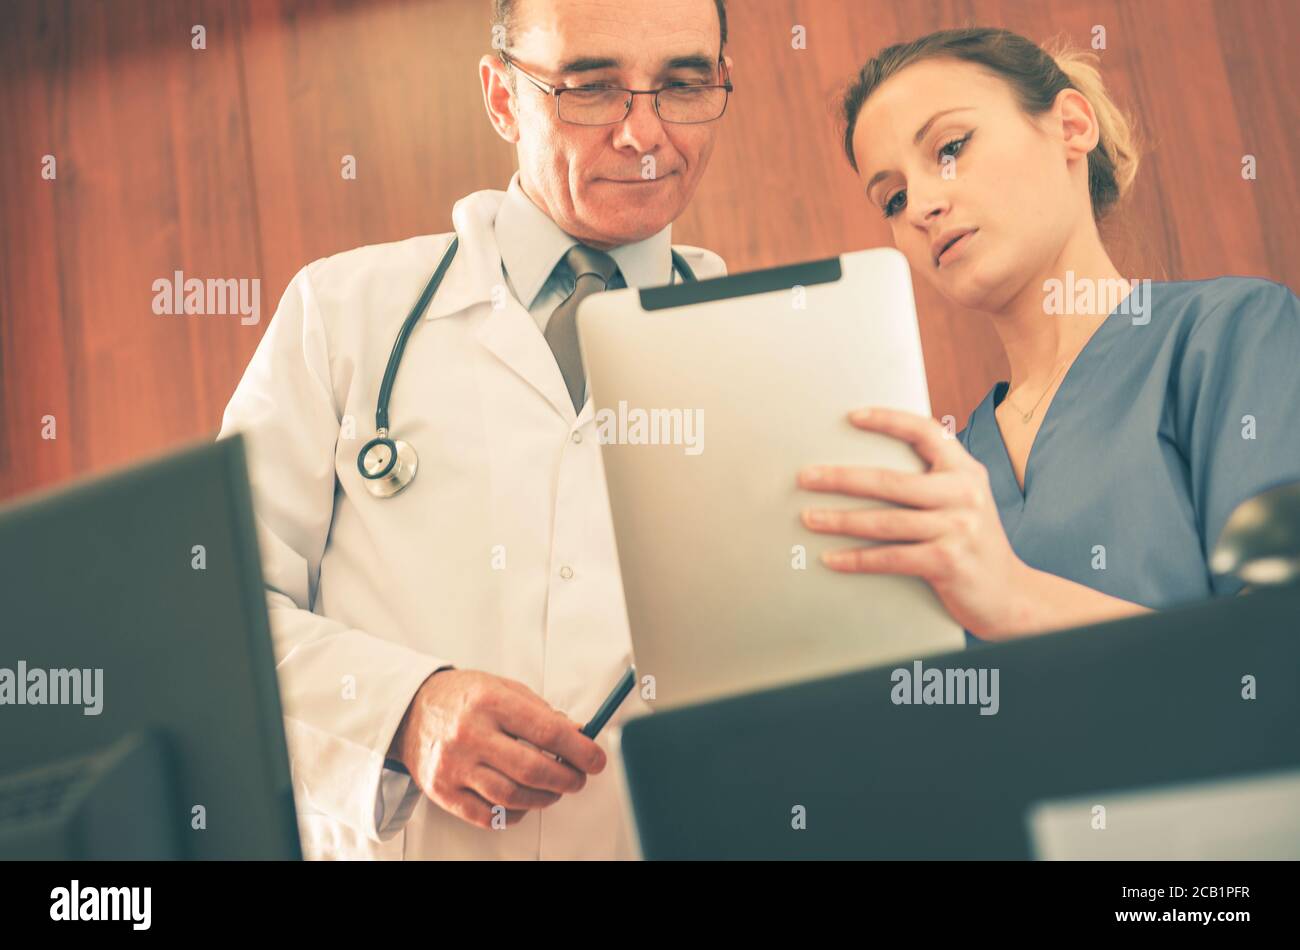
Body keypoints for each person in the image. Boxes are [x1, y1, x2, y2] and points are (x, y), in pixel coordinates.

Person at [217, 0, 733, 859]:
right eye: (592, 87)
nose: (645, 134)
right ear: (501, 97)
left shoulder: (767, 350)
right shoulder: (342, 315)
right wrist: (404, 710)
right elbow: (219, 617)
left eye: (682, 86)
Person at [797, 27, 1300, 642]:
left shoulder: (1230, 335)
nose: (922, 204)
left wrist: (1015, 596)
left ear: (1071, 126)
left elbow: (1276, 659)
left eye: (950, 147)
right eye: (893, 198)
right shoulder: (944, 468)